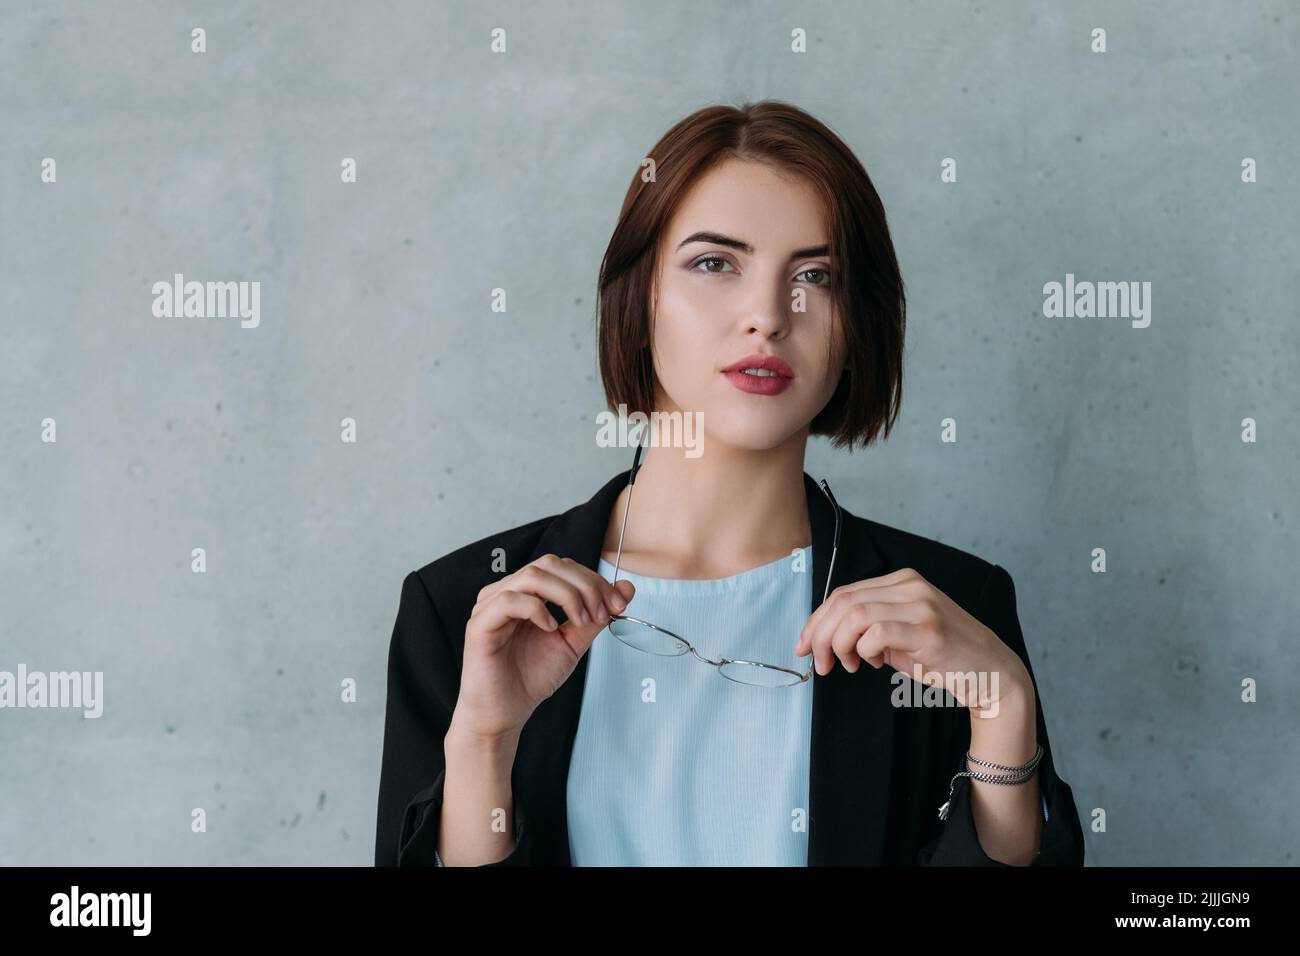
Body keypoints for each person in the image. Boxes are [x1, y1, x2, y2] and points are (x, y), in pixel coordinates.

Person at [374, 100, 1086, 867]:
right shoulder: (464, 612)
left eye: (815, 275)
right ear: (641, 297)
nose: (768, 316)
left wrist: (1004, 709)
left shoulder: (956, 609)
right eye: (715, 263)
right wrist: (484, 740)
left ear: (857, 324)